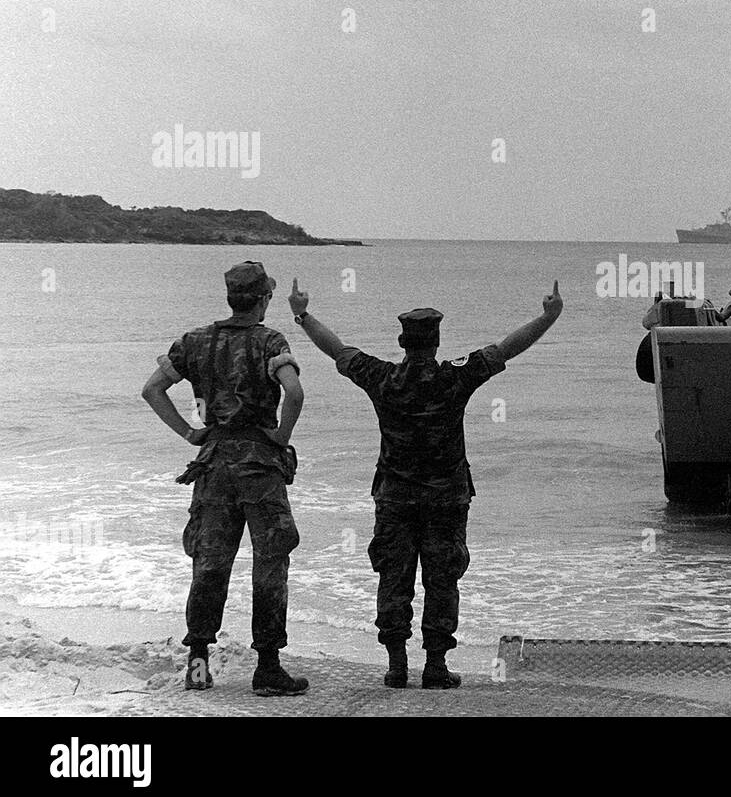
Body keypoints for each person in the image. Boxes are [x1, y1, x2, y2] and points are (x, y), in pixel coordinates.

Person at [288, 277, 563, 689]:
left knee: (393, 577)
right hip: (447, 498)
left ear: (402, 342)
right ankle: (435, 665)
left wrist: (302, 314)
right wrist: (549, 316)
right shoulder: (455, 377)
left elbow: (335, 349)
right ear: (436, 343)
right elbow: (508, 348)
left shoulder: (381, 376)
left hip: (395, 497)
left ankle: (397, 665)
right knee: (442, 577)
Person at [141, 261, 307, 696]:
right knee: (270, 563)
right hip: (259, 467)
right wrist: (280, 436)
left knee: (209, 565)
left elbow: (152, 390)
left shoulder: (195, 341)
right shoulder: (270, 341)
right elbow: (294, 392)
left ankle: (197, 665)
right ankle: (268, 667)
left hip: (213, 464)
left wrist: (191, 433)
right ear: (264, 298)